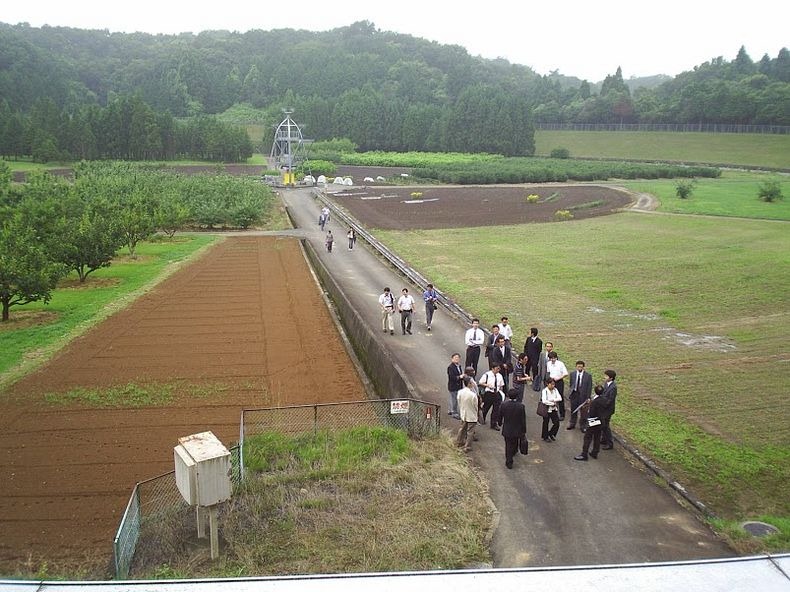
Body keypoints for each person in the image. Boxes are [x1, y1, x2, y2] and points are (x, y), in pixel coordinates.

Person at [575, 385, 606, 461]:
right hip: (601, 421)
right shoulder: (604, 400)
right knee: (597, 437)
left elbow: (591, 413)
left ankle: (584, 454)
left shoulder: (594, 402)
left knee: (587, 437)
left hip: (593, 421)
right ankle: (595, 452)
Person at [500, 388, 527, 469]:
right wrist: (523, 430)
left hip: (507, 428)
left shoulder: (504, 405)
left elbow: (500, 415)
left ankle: (509, 461)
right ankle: (514, 451)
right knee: (515, 442)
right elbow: (523, 419)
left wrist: (499, 422)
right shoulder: (521, 406)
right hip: (517, 429)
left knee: (508, 445)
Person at [567, 361, 593, 430]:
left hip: (583, 396)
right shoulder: (572, 374)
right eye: (578, 366)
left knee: (583, 412)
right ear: (576, 366)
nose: (579, 368)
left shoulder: (588, 376)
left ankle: (583, 425)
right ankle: (572, 423)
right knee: (573, 410)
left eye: (581, 367)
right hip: (574, 394)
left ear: (583, 367)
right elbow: (571, 384)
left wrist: (588, 397)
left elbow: (589, 387)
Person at [456, 376, 479, 452]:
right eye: (472, 382)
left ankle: (459, 442)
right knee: (470, 432)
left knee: (462, 429)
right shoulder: (473, 395)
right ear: (469, 384)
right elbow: (475, 406)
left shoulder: (460, 392)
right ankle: (467, 446)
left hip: (463, 413)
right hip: (471, 415)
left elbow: (459, 402)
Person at [479, 363, 505, 430]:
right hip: (489, 393)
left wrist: (501, 393)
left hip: (496, 393)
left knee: (496, 409)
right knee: (486, 407)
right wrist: (488, 385)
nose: (498, 370)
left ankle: (493, 424)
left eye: (499, 369)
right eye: (497, 369)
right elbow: (480, 382)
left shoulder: (499, 376)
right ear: (492, 368)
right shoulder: (487, 375)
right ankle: (482, 419)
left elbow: (501, 385)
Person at [546, 350, 569, 420]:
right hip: (551, 381)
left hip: (559, 381)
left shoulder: (560, 364)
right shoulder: (548, 363)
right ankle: (551, 412)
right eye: (551, 358)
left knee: (560, 397)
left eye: (554, 358)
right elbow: (548, 372)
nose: (552, 360)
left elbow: (565, 373)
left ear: (556, 358)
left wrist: (558, 378)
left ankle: (562, 414)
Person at [599, 369, 618, 450]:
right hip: (604, 408)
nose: (604, 377)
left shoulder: (613, 387)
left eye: (606, 376)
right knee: (603, 425)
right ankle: (604, 439)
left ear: (611, 378)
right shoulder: (606, 384)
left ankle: (610, 443)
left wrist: (602, 404)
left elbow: (610, 399)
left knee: (606, 426)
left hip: (608, 409)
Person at [540, 377, 562, 442]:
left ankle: (551, 433)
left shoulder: (555, 390)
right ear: (547, 384)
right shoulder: (545, 391)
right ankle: (545, 436)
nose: (553, 386)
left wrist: (552, 400)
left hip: (554, 409)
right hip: (547, 409)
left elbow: (559, 398)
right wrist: (551, 403)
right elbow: (544, 400)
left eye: (553, 384)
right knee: (545, 423)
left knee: (556, 423)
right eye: (551, 384)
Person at [446, 353, 464, 419]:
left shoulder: (459, 366)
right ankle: (454, 412)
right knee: (454, 399)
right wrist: (460, 377)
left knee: (453, 398)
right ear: (452, 359)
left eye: (458, 358)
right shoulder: (450, 367)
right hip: (453, 386)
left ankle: (451, 410)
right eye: (455, 357)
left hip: (458, 386)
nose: (457, 359)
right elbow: (452, 377)